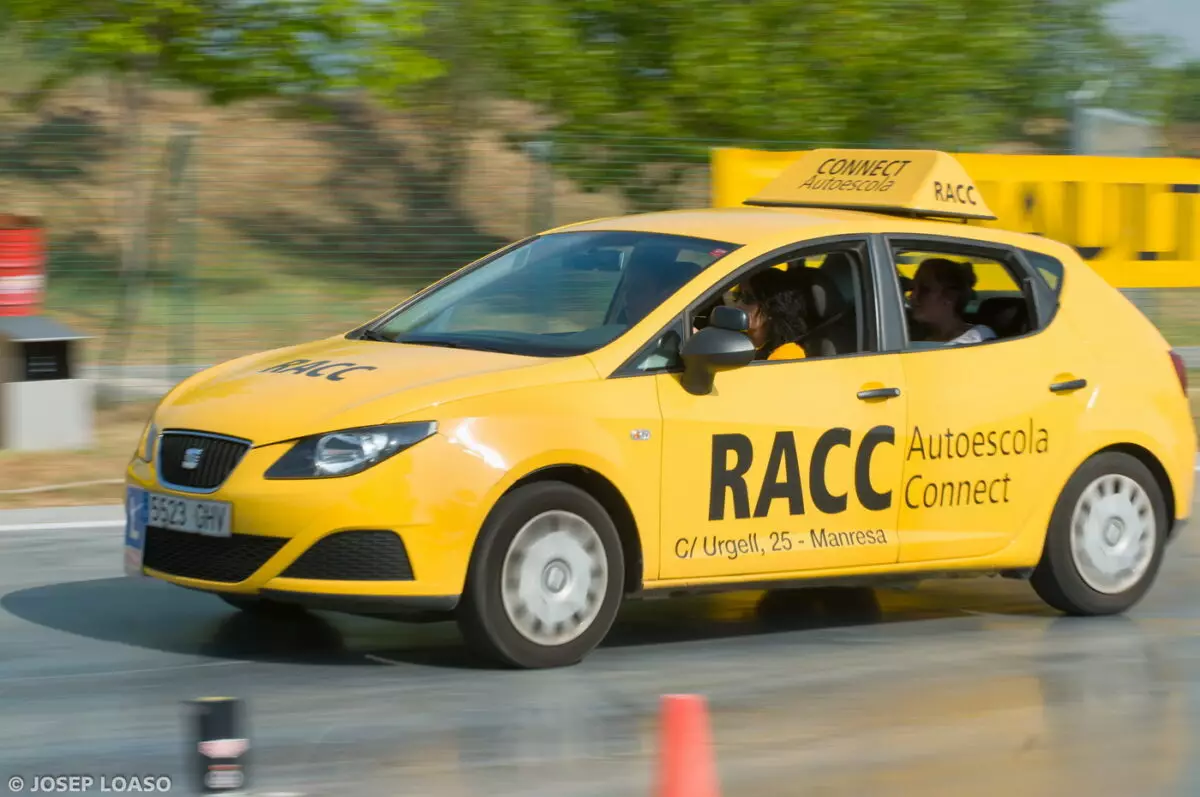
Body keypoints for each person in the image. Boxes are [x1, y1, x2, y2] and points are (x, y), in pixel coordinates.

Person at [908, 257, 997, 345]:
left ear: (950, 296)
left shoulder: (978, 339)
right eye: (912, 288)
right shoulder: (909, 334)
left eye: (925, 289)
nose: (913, 296)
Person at [728, 267, 810, 360]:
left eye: (748, 298)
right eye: (738, 295)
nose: (738, 304)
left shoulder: (787, 354)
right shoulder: (738, 341)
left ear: (771, 308)